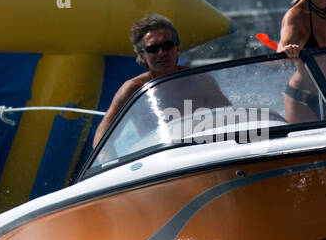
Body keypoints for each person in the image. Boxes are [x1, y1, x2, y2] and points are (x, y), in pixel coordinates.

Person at [92, 14, 229, 148]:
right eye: (153, 49)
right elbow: (102, 140)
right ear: (142, 56)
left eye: (167, 45)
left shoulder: (200, 81)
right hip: (158, 159)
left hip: (198, 152)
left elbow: (230, 118)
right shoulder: (132, 89)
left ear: (177, 49)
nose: (161, 53)